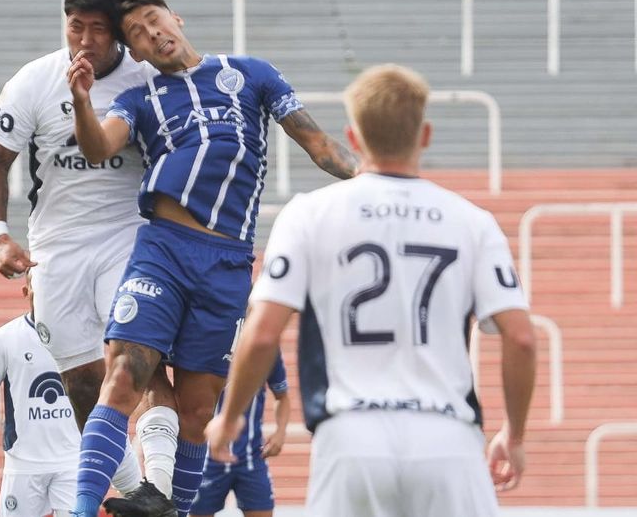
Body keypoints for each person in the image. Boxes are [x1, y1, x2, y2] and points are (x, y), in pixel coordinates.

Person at [66, 0, 358, 517]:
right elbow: (97, 147)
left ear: (175, 18)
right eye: (137, 33)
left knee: (199, 411)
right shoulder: (139, 98)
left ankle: (176, 511)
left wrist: (372, 178)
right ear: (136, 53)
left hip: (226, 264)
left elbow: (318, 145)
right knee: (124, 374)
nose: (152, 33)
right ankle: (81, 509)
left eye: (155, 19)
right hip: (162, 250)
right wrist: (83, 103)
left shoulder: (252, 74)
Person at [205, 64, 537, 517]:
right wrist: (513, 436)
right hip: (448, 439)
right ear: (425, 135)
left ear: (354, 138)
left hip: (351, 439)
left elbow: (263, 334)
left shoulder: (309, 214)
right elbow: (520, 337)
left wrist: (230, 418)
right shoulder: (472, 221)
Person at [0, 0, 177, 499]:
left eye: (97, 29)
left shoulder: (146, 79)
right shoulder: (33, 81)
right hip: (57, 248)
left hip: (131, 236)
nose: (85, 40)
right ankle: (138, 494)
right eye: (75, 27)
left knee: (139, 362)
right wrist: (0, 236)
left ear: (115, 32)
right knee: (82, 383)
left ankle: (161, 478)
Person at [0, 274, 80, 517]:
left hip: (71, 459)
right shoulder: (6, 337)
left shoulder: (79, 335)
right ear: (26, 290)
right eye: (38, 284)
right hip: (24, 462)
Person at [189, 350, 290, 517]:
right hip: (207, 460)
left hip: (251, 458)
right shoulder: (206, 338)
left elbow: (282, 397)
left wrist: (281, 431)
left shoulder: (266, 347)